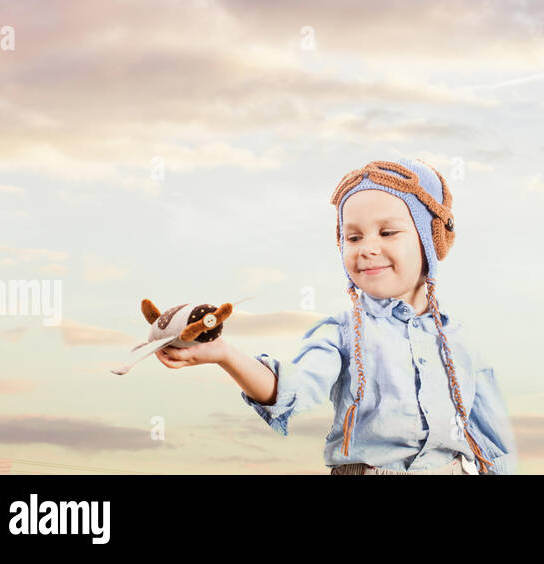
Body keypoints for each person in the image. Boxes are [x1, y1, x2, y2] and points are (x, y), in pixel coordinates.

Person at [157, 157, 518, 474]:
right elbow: (290, 389)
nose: (367, 248)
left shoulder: (460, 342)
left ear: (432, 240)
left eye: (387, 232)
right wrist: (224, 354)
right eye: (353, 237)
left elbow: (495, 446)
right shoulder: (342, 334)